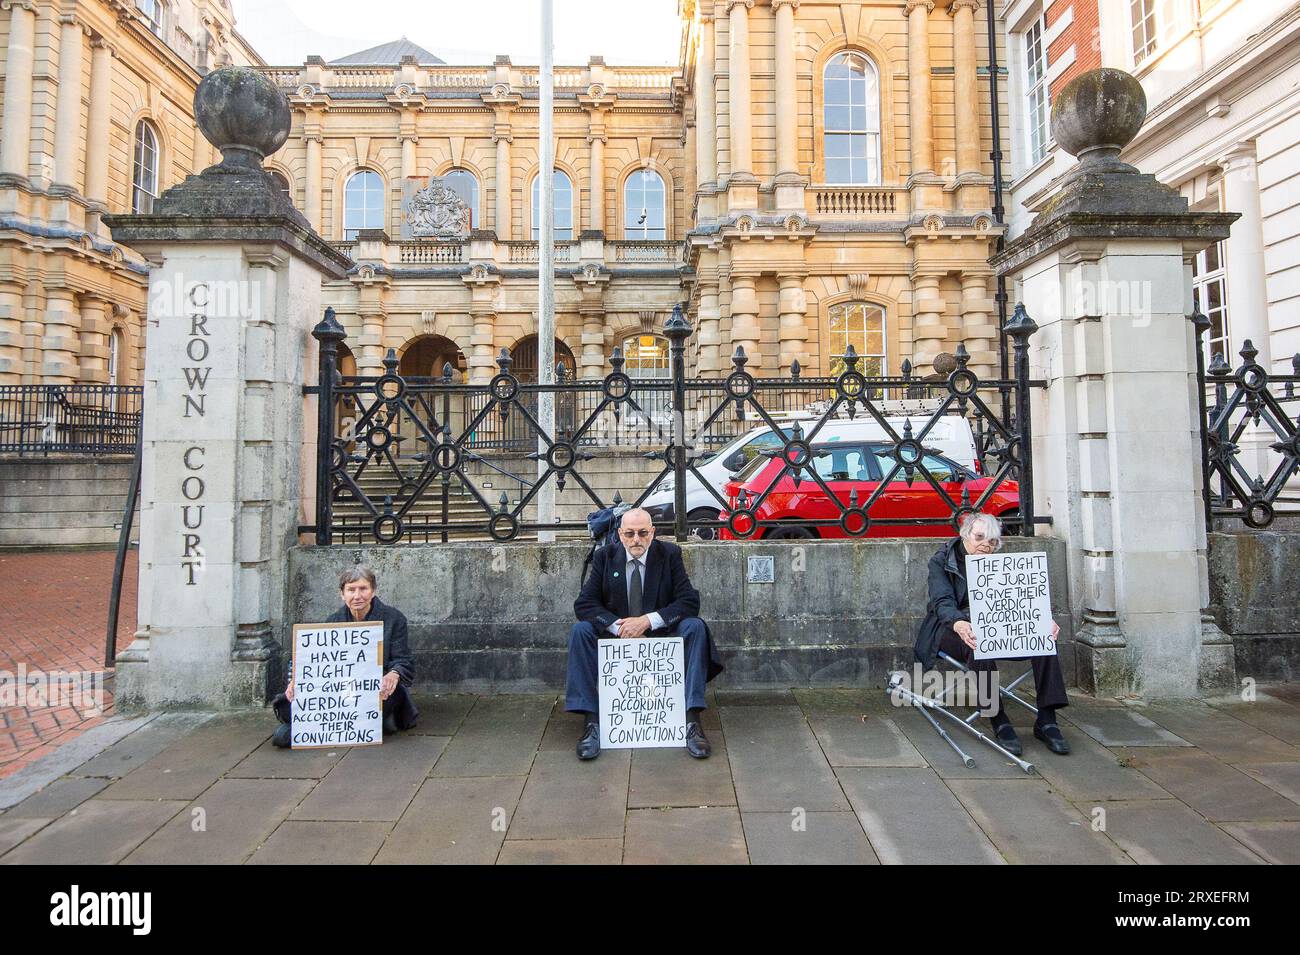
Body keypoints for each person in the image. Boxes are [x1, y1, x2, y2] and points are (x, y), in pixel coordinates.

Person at [566, 507, 724, 760]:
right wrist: (620, 627)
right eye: (629, 534)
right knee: (581, 631)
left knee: (695, 626)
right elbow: (584, 604)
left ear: (652, 532)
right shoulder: (605, 556)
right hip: (617, 637)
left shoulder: (669, 554)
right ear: (620, 533)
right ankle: (592, 722)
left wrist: (647, 622)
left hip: (660, 635)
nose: (636, 540)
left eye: (642, 533)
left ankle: (690, 720)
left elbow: (688, 601)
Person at [914, 512, 1071, 755]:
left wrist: (1043, 620)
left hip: (994, 623)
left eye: (993, 541)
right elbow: (942, 601)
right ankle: (997, 715)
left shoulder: (998, 563)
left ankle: (1047, 719)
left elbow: (1021, 598)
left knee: (1043, 638)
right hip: (949, 627)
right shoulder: (942, 560)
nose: (986, 545)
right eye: (980, 537)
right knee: (979, 641)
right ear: (965, 534)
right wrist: (959, 623)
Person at [271, 566, 418, 748]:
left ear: (373, 592)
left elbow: (403, 660)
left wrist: (393, 674)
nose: (357, 596)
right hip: (340, 691)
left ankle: (298, 731)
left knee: (376, 700)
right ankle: (374, 722)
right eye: (351, 590)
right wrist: (296, 681)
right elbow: (314, 662)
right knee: (287, 706)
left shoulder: (394, 619)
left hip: (377, 689)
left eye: (363, 589)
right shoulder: (333, 621)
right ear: (342, 594)